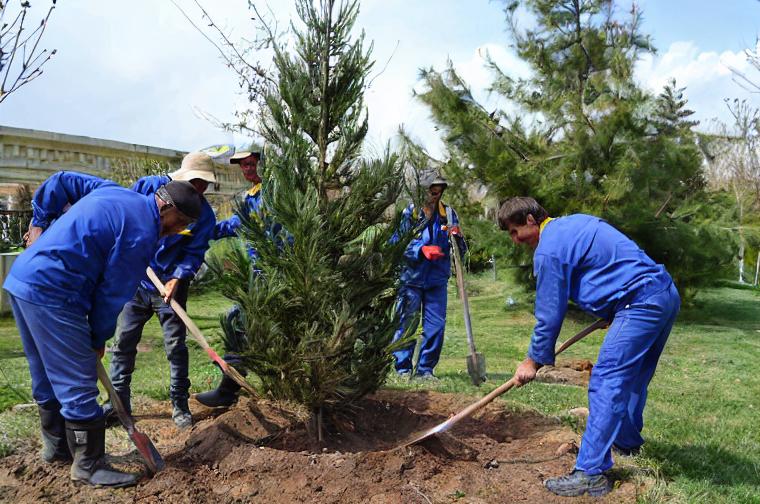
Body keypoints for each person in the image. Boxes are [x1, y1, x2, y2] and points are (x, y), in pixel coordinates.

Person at [4, 180, 201, 488]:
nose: (178, 231)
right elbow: (112, 296)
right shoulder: (142, 234)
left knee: (44, 371)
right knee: (78, 378)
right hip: (56, 292)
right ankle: (89, 465)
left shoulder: (116, 191)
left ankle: (57, 449)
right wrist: (97, 338)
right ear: (167, 208)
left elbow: (64, 180)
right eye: (181, 223)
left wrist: (39, 221)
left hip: (23, 280)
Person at [498, 197, 680, 497]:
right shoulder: (574, 222)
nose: (515, 240)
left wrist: (532, 361)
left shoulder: (548, 250)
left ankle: (591, 473)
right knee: (633, 378)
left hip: (640, 303)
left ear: (531, 220)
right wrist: (612, 305)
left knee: (607, 380)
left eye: (515, 231)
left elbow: (549, 315)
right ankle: (626, 441)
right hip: (662, 293)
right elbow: (613, 260)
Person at [26, 152, 218, 429]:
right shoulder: (148, 187)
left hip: (169, 289)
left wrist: (178, 276)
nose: (199, 188)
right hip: (136, 281)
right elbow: (127, 221)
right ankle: (118, 403)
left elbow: (195, 251)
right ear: (182, 176)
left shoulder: (203, 215)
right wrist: (39, 223)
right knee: (123, 344)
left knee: (176, 347)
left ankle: (179, 404)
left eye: (204, 184)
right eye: (196, 181)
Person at [194, 150, 265, 408]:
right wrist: (202, 231)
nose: (246, 169)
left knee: (240, 323)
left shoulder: (274, 194)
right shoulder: (252, 195)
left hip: (273, 271)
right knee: (240, 322)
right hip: (256, 272)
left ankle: (228, 389)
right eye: (243, 165)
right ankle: (230, 386)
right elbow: (237, 223)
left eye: (251, 164)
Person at [390, 176, 465, 379]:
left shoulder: (448, 214)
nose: (435, 194)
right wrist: (420, 249)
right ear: (421, 190)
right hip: (410, 279)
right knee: (406, 324)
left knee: (436, 326)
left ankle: (425, 370)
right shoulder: (408, 214)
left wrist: (457, 236)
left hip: (436, 279)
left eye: (439, 190)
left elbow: (460, 249)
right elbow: (394, 244)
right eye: (432, 190)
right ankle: (402, 369)